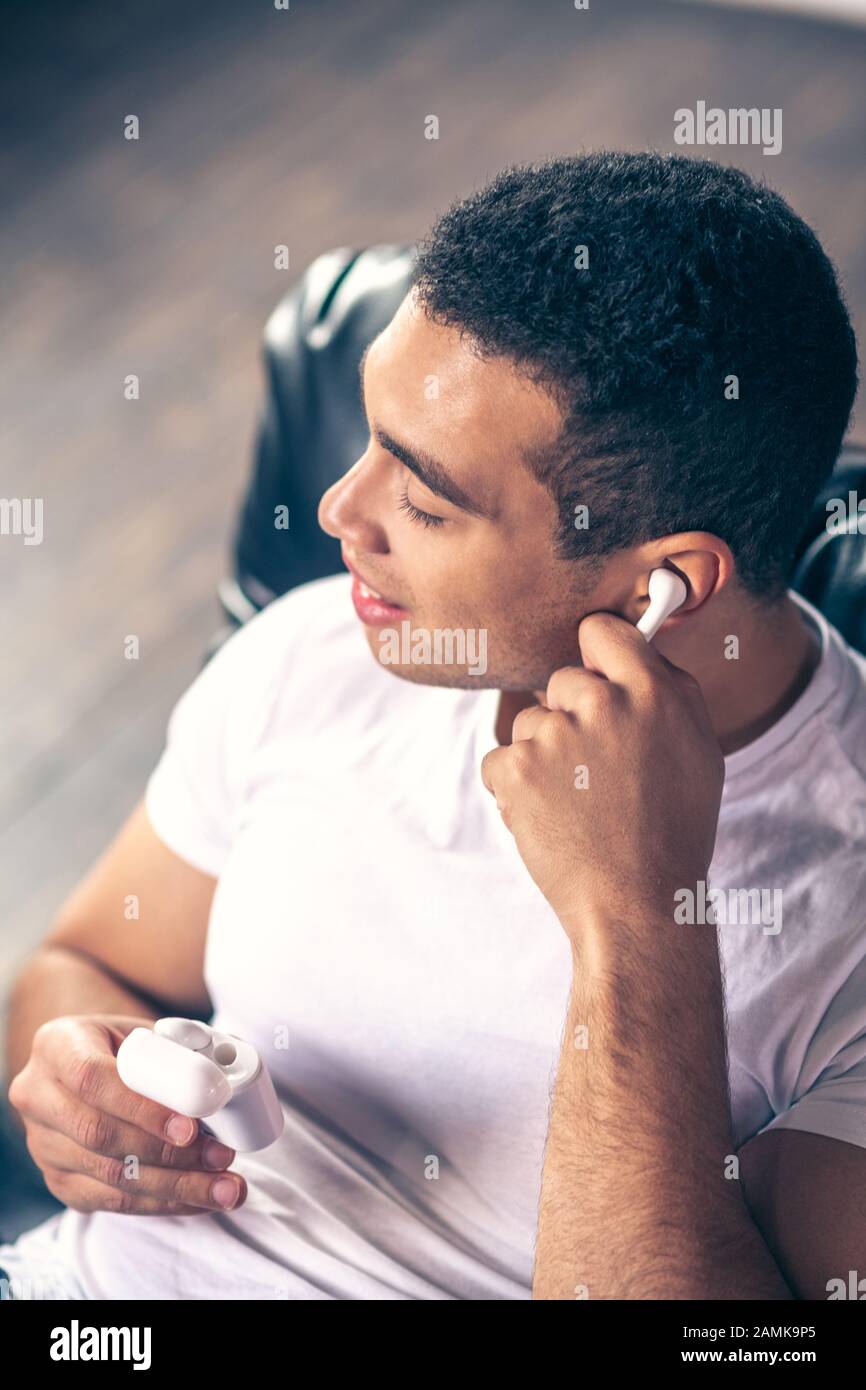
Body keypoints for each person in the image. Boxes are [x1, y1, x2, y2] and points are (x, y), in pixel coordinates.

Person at [2, 152, 864, 1301]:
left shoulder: (843, 911)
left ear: (661, 584)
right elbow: (86, 959)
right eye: (363, 438)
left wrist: (635, 914)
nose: (336, 513)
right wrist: (74, 1072)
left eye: (421, 497)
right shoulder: (315, 650)